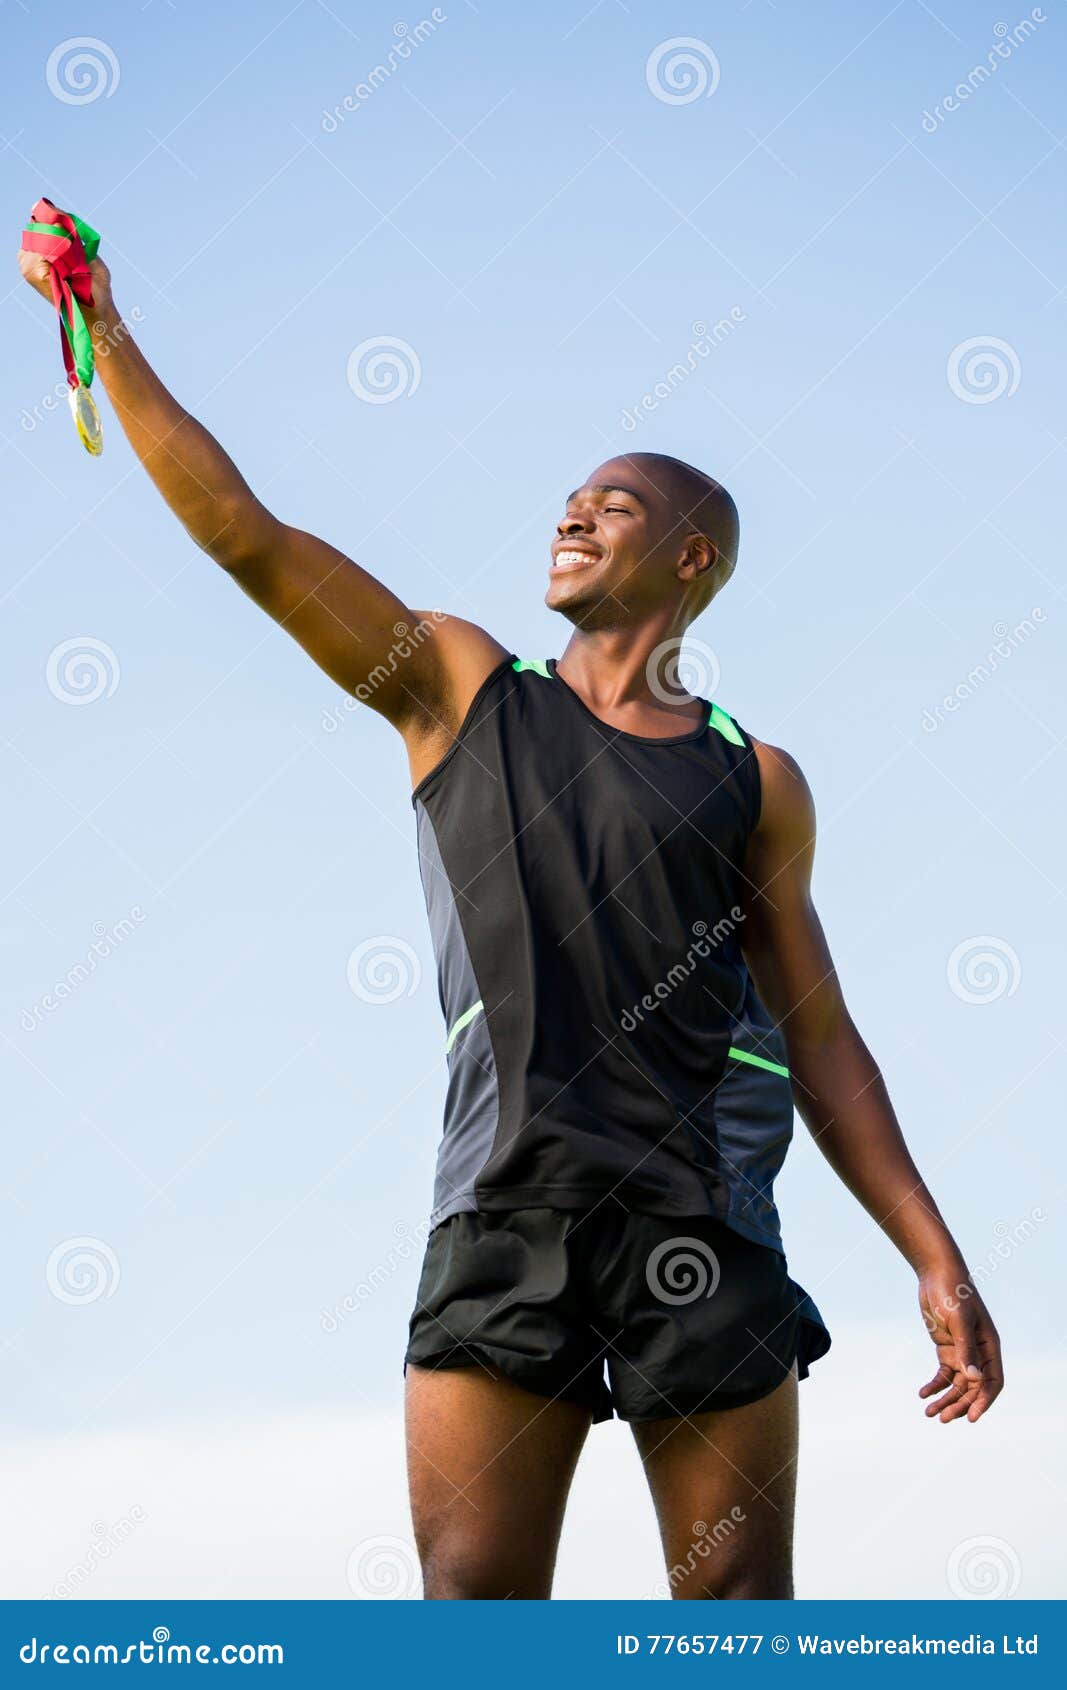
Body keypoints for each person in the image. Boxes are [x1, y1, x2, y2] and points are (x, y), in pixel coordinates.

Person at [19, 228, 1004, 1602]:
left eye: (614, 501)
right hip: (505, 1212)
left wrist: (934, 1254)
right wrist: (102, 329)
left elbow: (826, 1037)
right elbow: (247, 535)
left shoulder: (754, 779)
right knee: (474, 1627)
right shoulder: (459, 689)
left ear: (691, 556)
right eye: (569, 497)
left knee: (739, 1631)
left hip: (702, 1231)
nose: (575, 512)